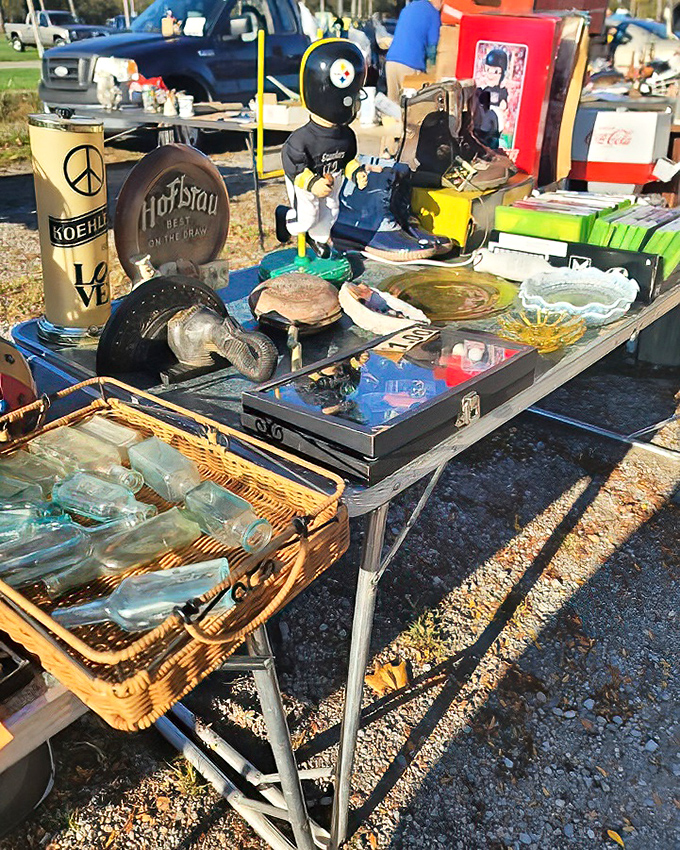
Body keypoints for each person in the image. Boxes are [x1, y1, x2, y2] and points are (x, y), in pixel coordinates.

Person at [384, 0, 441, 104]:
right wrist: (433, 71)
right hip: (410, 65)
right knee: (412, 107)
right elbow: (432, 47)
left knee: (392, 106)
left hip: (391, 61)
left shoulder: (408, 8)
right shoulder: (433, 13)